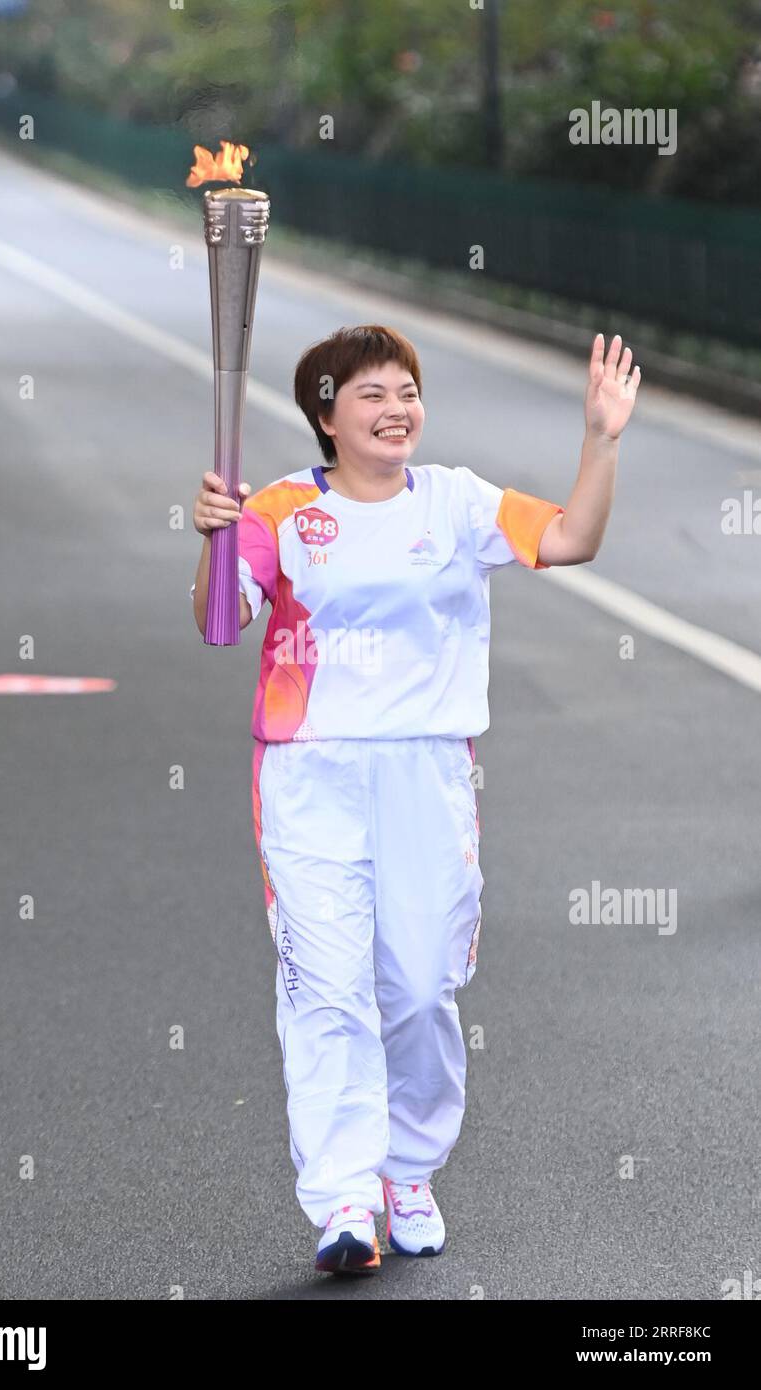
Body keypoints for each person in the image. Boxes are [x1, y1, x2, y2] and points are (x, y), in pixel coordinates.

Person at [191, 324, 641, 1277]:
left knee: (422, 980)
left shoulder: (456, 501)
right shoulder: (276, 509)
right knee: (327, 984)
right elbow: (221, 621)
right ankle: (346, 1196)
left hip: (426, 772)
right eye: (371, 394)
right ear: (326, 415)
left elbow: (571, 537)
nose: (396, 409)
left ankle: (408, 1169)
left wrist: (601, 439)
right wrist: (216, 540)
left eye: (406, 391)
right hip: (311, 773)